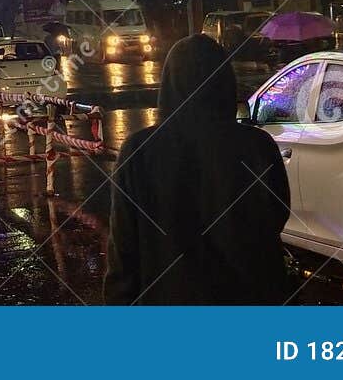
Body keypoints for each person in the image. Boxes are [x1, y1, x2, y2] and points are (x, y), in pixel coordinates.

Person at [104, 35, 291, 305]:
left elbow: (123, 249)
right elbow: (276, 218)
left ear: (168, 86)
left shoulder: (139, 151)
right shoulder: (257, 146)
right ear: (225, 82)